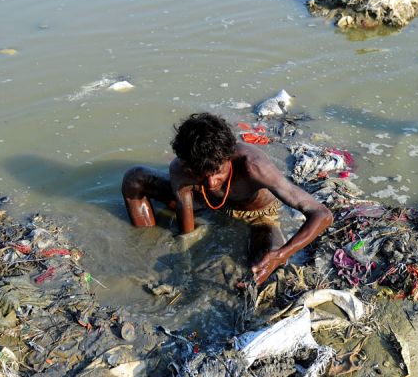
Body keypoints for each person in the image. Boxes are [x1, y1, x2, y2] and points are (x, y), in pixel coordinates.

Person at [121, 112, 333, 286]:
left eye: (218, 172)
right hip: (205, 202)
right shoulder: (182, 168)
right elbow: (187, 229)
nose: (212, 183)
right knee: (134, 179)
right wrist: (184, 260)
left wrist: (280, 255)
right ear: (188, 166)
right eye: (202, 175)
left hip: (256, 216)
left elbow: (322, 215)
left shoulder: (255, 167)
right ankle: (144, 245)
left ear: (228, 157)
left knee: (268, 272)